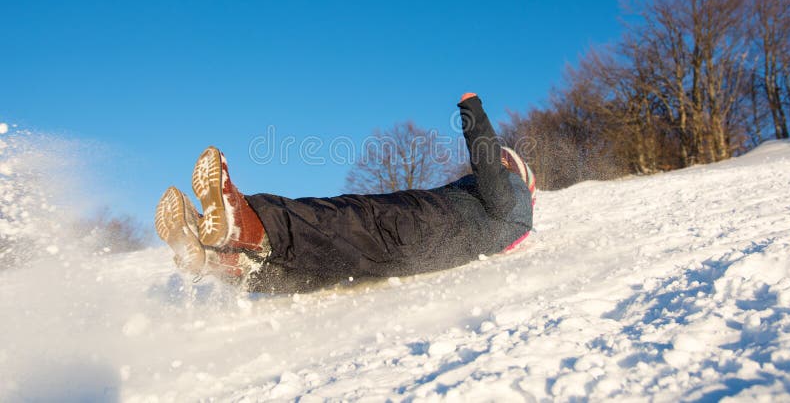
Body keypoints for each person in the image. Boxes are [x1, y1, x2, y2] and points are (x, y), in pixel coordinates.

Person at [155, 93, 535, 293]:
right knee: (327, 261)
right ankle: (223, 260)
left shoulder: (513, 198)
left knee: (338, 219)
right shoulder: (502, 227)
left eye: (502, 163)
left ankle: (240, 224)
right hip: (417, 254)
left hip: (423, 223)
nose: (491, 165)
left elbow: (488, 166)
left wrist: (472, 110)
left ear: (516, 173)